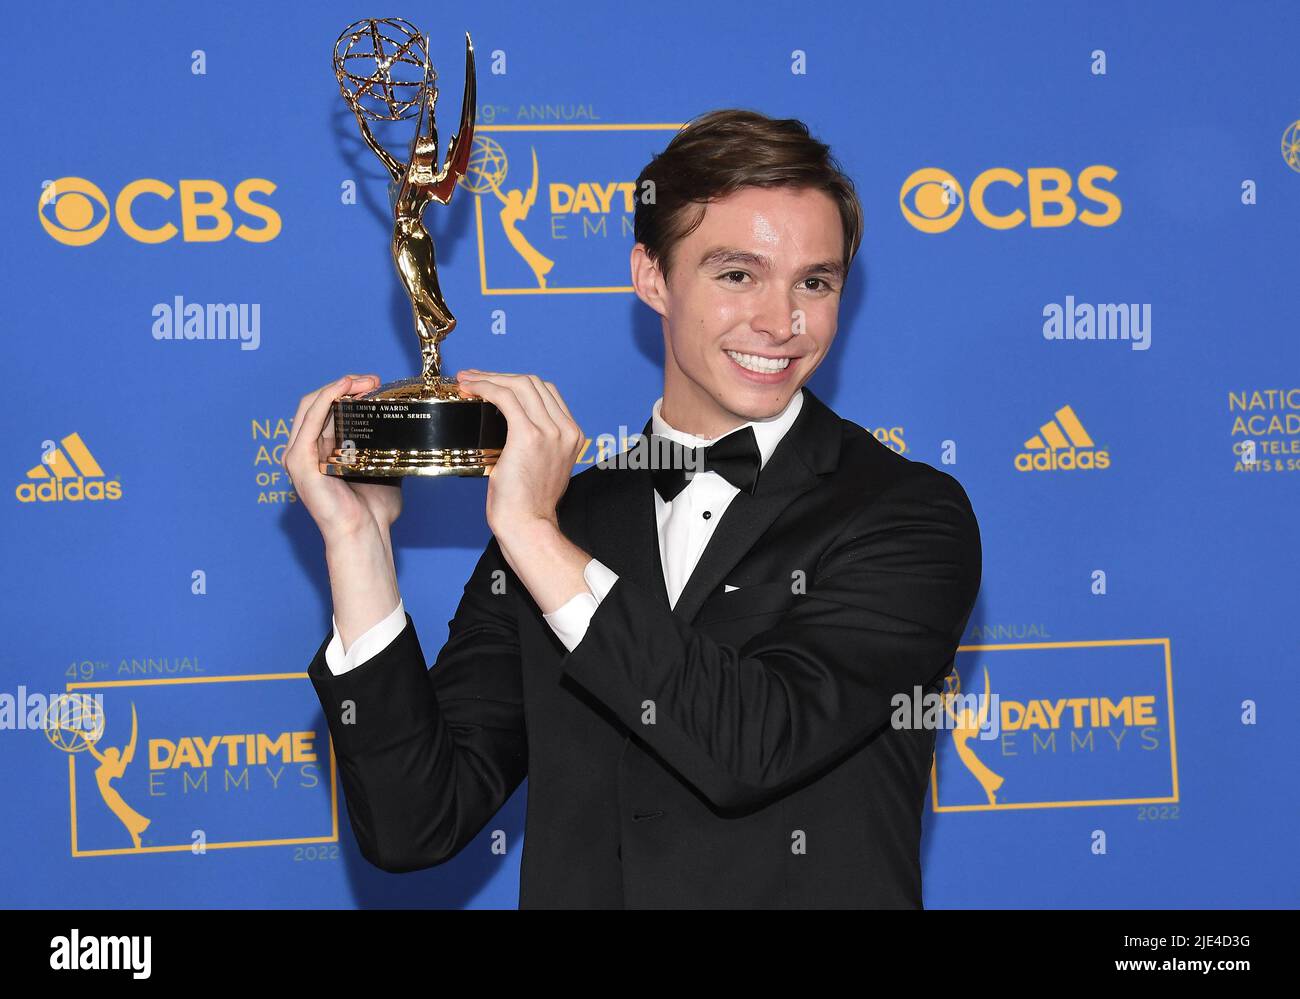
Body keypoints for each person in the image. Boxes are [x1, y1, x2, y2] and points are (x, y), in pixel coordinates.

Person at [283, 108, 982, 909]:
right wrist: (359, 546)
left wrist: (537, 537)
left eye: (814, 282)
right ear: (652, 276)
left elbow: (754, 745)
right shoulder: (564, 520)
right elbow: (417, 822)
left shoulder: (908, 515)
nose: (780, 321)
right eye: (737, 274)